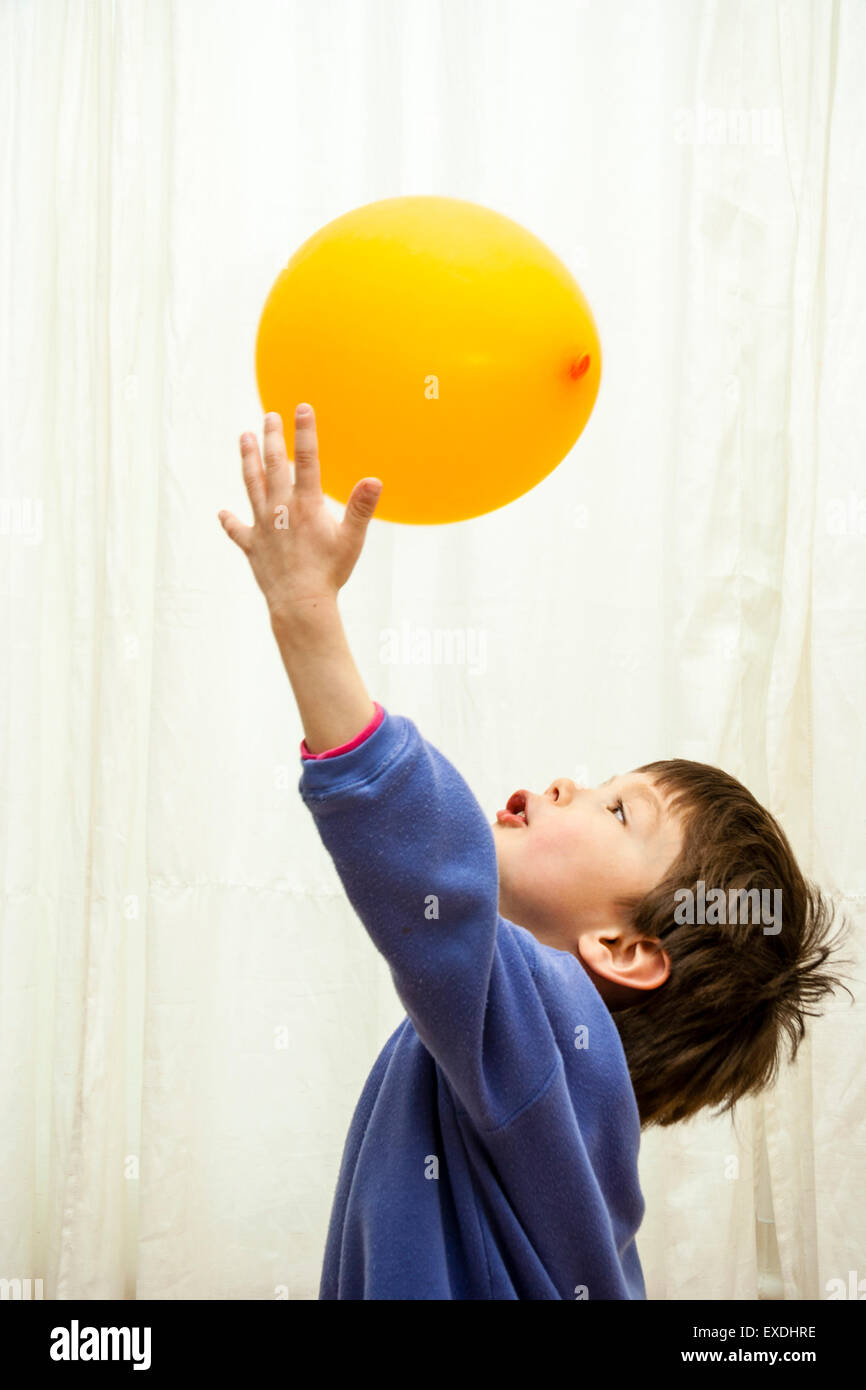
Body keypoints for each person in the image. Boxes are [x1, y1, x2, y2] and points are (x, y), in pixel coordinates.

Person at [218, 405, 850, 1300]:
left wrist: (305, 614)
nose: (566, 785)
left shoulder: (550, 1033)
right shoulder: (547, 1085)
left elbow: (431, 869)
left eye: (617, 811)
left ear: (625, 950)